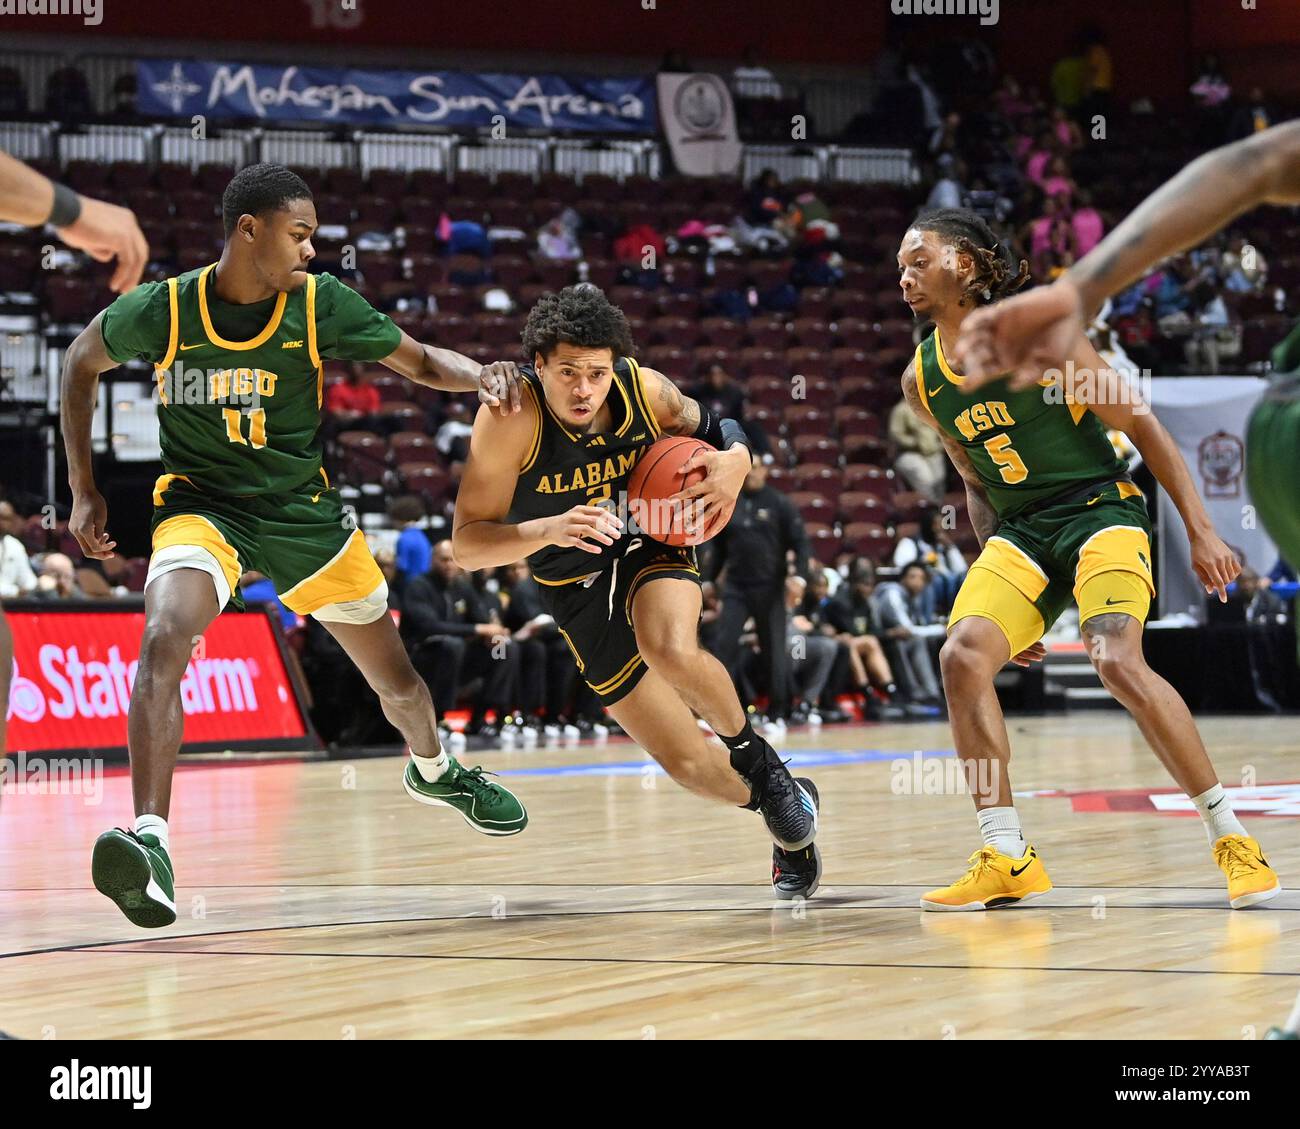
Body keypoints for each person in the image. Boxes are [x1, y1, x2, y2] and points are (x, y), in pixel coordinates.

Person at [62, 163, 530, 929]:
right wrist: (83, 488)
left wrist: (482, 373)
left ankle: (437, 771)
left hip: (303, 515)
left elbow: (413, 358)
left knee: (403, 686)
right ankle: (150, 839)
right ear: (249, 229)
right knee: (161, 637)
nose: (313, 249)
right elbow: (81, 363)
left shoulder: (319, 305)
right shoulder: (168, 308)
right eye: (301, 233)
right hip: (202, 505)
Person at [896, 205, 1276, 911]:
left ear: (968, 267)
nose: (905, 276)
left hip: (1100, 506)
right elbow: (977, 482)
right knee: (962, 656)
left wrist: (1201, 530)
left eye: (920, 260)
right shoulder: (922, 381)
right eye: (900, 266)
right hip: (1021, 533)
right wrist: (1005, 598)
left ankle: (1232, 836)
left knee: (1114, 660)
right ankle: (1007, 852)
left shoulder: (1047, 343)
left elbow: (1142, 425)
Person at [451, 285, 823, 898]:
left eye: (595, 373)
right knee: (687, 766)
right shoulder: (509, 418)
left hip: (649, 531)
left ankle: (761, 761)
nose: (582, 389)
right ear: (537, 365)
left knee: (669, 647)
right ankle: (788, 822)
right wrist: (549, 526)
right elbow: (467, 545)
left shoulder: (644, 390)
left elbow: (724, 425)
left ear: (614, 368)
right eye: (567, 371)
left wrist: (736, 462)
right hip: (569, 574)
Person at [704, 458, 810, 730]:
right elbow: (718, 548)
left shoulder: (780, 503)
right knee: (723, 648)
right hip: (736, 587)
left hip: (769, 587)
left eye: (758, 466)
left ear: (765, 471)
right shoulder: (730, 500)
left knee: (773, 650)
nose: (752, 472)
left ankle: (778, 712)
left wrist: (798, 576)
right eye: (748, 466)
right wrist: (708, 580)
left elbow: (801, 544)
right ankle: (721, 717)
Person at [872, 561, 942, 707]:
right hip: (882, 638)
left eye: (922, 578)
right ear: (903, 578)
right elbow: (907, 629)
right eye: (913, 576)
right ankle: (914, 693)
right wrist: (942, 629)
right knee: (914, 640)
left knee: (927, 641)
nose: (918, 582)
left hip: (898, 639)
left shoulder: (913, 598)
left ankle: (931, 692)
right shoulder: (892, 594)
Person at [0, 501, 38, 598]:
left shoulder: (15, 545)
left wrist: (40, 586)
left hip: (12, 604)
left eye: (7, 519)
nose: (2, 523)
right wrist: (15, 591)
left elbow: (27, 580)